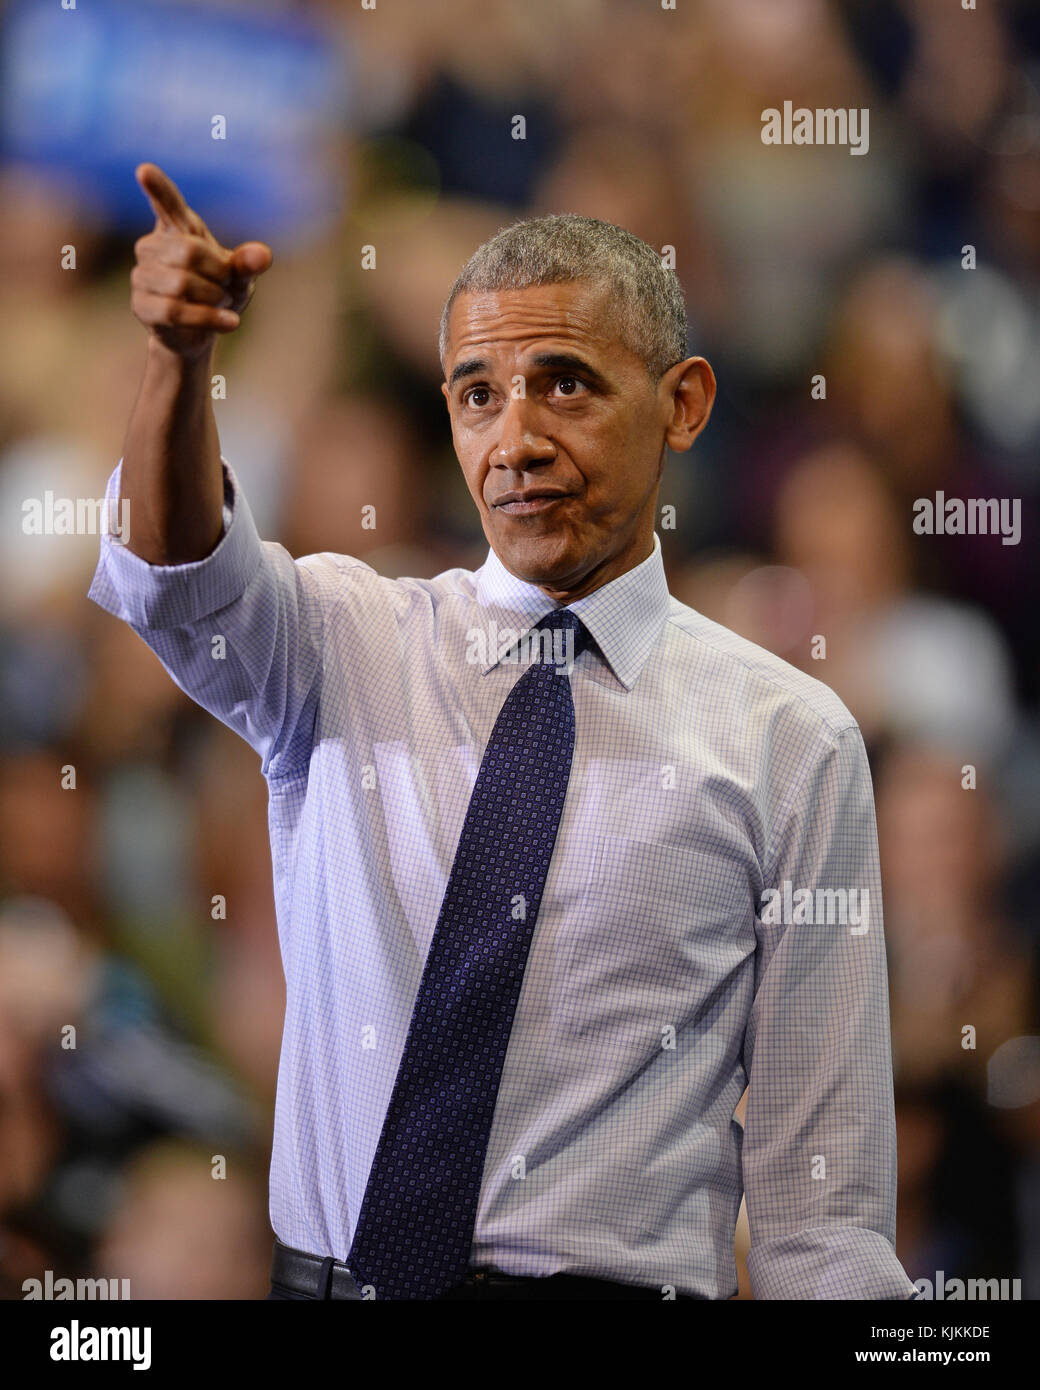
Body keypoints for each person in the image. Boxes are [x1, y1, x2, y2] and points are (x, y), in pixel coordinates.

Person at [87, 163, 919, 1301]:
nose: (513, 437)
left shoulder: (793, 741)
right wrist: (176, 364)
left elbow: (819, 1214)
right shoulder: (343, 639)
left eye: (564, 384)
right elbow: (172, 577)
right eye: (477, 393)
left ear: (682, 402)